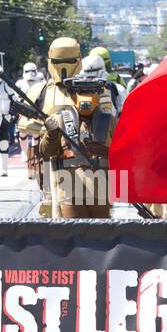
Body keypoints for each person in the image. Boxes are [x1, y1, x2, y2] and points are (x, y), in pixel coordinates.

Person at [38, 53, 118, 218]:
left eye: (90, 91)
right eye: (81, 91)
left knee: (100, 236)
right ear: (72, 95)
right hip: (69, 189)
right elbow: (47, 153)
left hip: (101, 190)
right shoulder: (60, 120)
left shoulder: (109, 121)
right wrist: (52, 133)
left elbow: (123, 154)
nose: (86, 96)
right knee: (74, 236)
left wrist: (101, 151)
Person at [17, 38, 83, 218]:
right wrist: (47, 128)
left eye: (69, 61)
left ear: (78, 60)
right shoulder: (40, 89)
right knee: (51, 206)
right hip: (51, 156)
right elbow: (22, 122)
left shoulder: (91, 88)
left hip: (83, 157)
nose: (64, 67)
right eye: (58, 62)